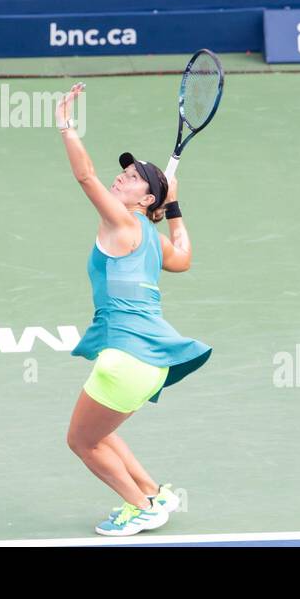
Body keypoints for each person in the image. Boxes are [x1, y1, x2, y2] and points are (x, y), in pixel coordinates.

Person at [55, 82, 213, 536]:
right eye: (124, 172)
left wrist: (66, 126)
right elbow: (182, 257)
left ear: (144, 201)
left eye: (134, 177)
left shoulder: (122, 221)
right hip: (149, 363)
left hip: (124, 360)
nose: (122, 176)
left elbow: (84, 177)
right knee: (100, 434)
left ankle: (140, 506)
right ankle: (153, 493)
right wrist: (174, 205)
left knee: (82, 442)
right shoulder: (152, 238)